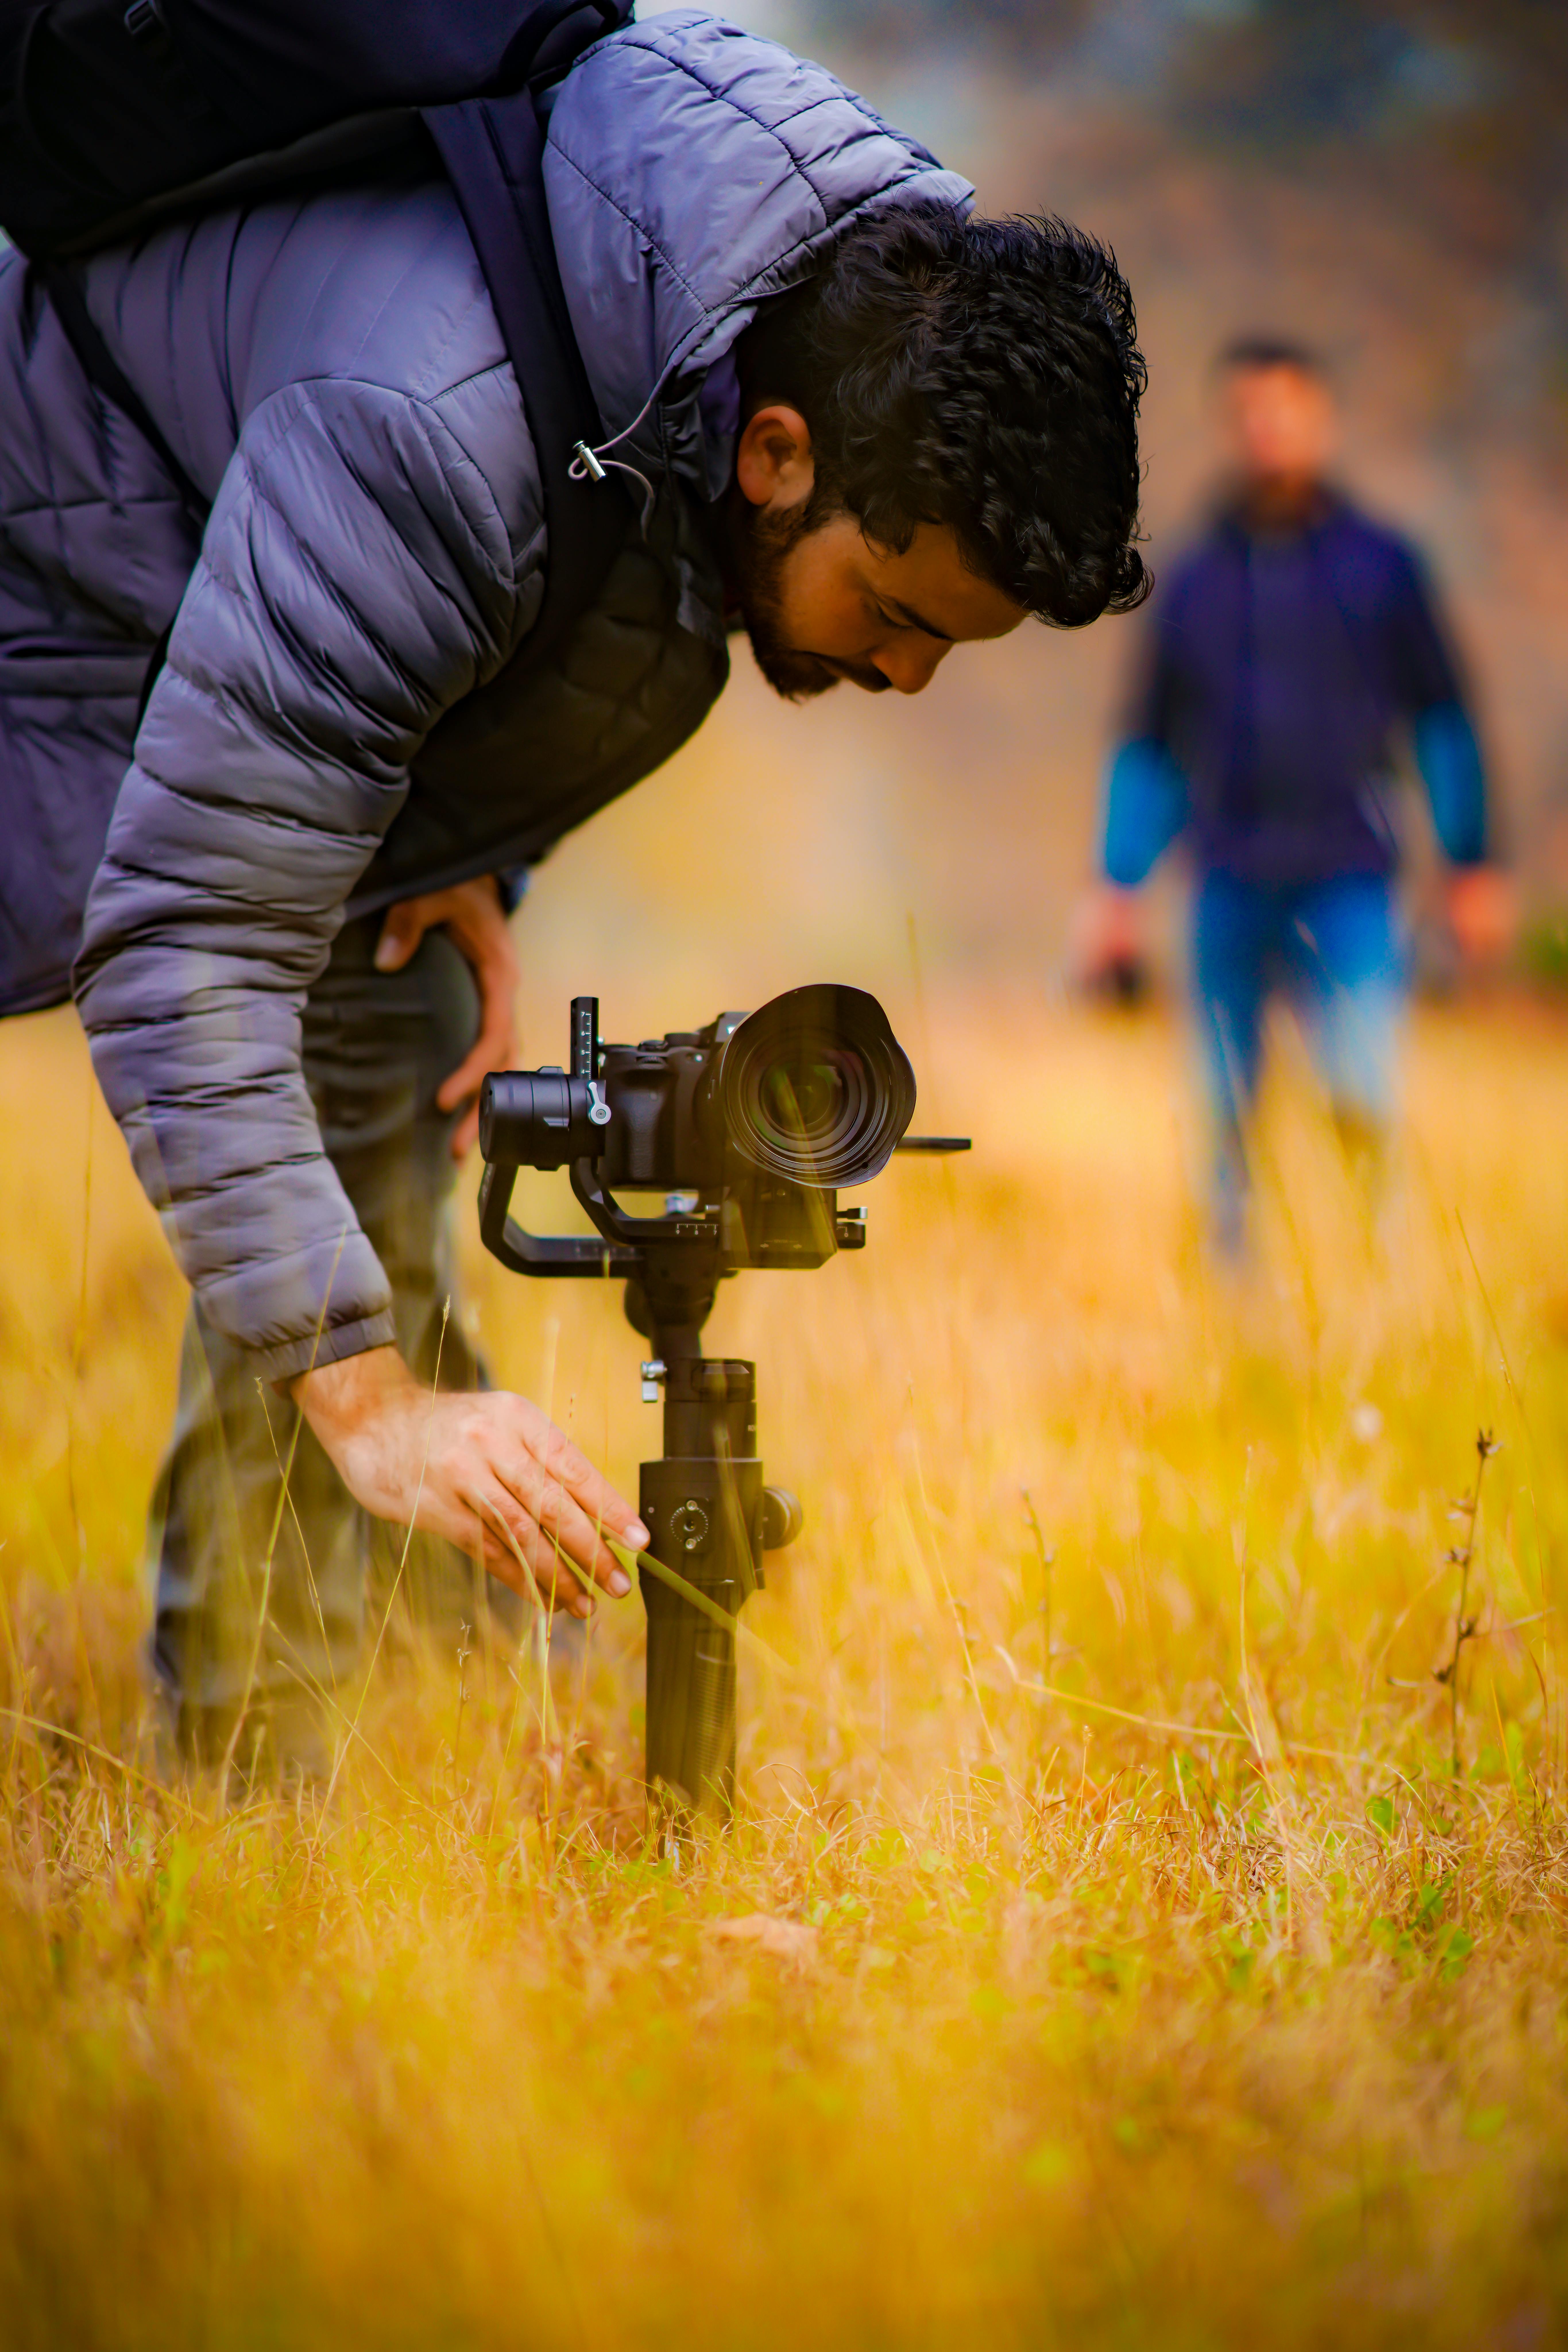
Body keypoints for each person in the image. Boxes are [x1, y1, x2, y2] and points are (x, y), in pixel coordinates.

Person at [0, 9, 1149, 1764]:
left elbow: (599, 586)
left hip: (240, 550)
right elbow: (189, 944)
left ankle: (405, 1681)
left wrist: (461, 848)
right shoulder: (430, 423)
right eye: (899, 617)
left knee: (405, 1001)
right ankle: (264, 1751)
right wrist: (373, 1403)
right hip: (49, 570)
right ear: (778, 454)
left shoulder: (793, 290)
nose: (905, 680)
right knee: (328, 1198)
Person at [1091, 335, 1498, 1252]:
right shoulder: (1194, 581)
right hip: (1229, 873)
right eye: (1250, 415)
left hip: (1349, 874)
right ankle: (1234, 1301)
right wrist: (1116, 888)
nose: (1269, 433)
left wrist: (1473, 863)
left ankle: (1377, 1270)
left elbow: (1443, 721)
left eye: (1287, 412)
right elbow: (1151, 745)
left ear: (1323, 421)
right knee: (1226, 1112)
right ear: (1231, 427)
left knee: (1359, 1089)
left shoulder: (1383, 568)